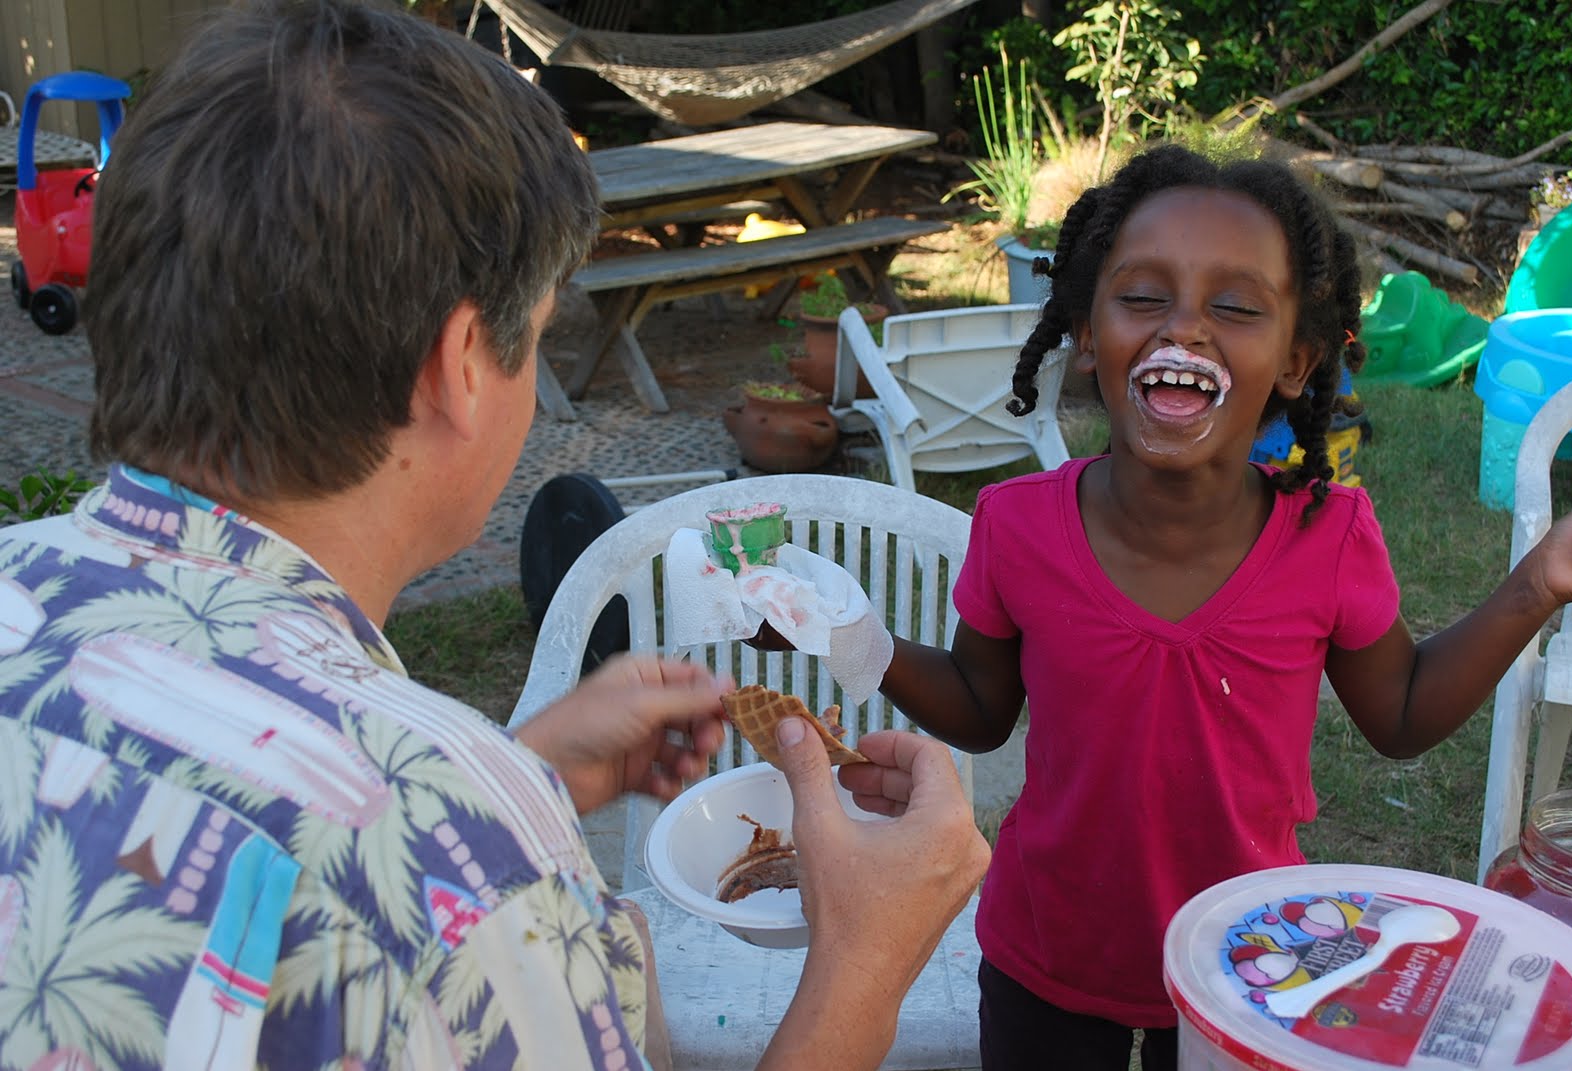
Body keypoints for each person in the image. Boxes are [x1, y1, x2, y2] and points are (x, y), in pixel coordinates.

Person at [0, 2, 989, 1069]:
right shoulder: (460, 851)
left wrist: (518, 779)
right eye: (542, 331)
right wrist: (867, 964)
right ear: (461, 364)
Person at [877, 144, 1572, 1070]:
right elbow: (981, 710)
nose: (1186, 329)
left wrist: (1536, 583)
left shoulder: (1325, 534)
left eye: (1235, 306)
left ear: (1297, 360)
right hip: (1045, 963)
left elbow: (1404, 714)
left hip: (1254, 971)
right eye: (1143, 296)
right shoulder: (1016, 524)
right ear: (1088, 333)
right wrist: (855, 640)